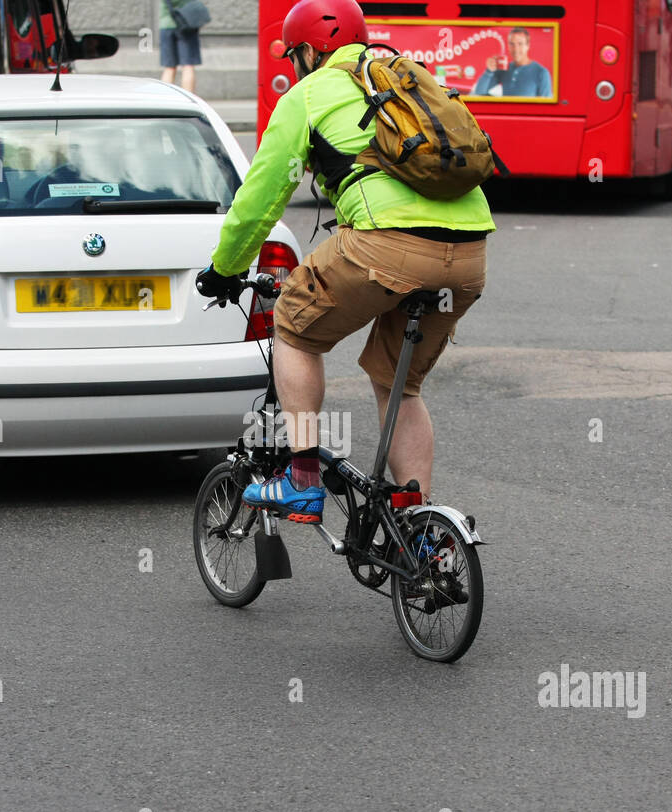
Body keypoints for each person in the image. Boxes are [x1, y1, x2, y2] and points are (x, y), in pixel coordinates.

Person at [196, 0, 495, 523]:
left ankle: (302, 478)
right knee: (399, 384)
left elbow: (260, 201)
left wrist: (224, 269)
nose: (294, 66)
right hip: (468, 253)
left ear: (309, 51)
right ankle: (417, 524)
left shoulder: (307, 96)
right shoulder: (410, 77)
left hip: (386, 244)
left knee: (292, 325)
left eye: (294, 56)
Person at [472, 26, 552, 98]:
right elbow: (479, 92)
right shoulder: (504, 69)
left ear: (528, 46)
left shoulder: (541, 72)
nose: (515, 49)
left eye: (520, 44)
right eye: (512, 44)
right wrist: (489, 71)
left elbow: (548, 107)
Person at [159, 0, 202, 95]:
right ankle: (188, 102)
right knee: (188, 66)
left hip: (166, 24)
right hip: (186, 23)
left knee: (169, 68)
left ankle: (164, 101)